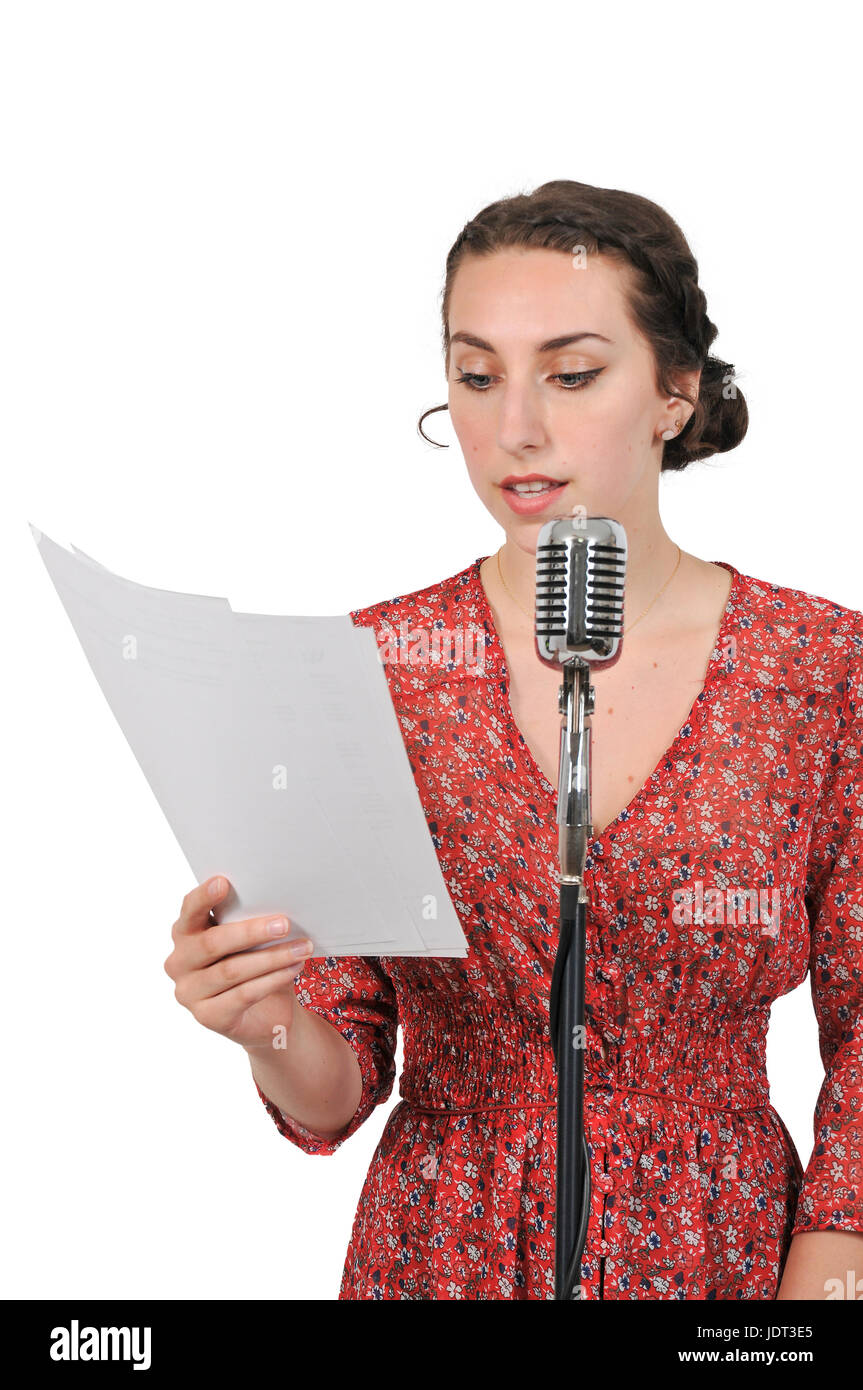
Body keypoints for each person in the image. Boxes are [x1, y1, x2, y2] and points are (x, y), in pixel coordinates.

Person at [164, 180, 862, 1300]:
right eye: (475, 376)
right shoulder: (372, 668)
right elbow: (337, 1087)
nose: (513, 429)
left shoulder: (819, 665)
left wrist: (828, 1273)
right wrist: (265, 1022)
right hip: (439, 1246)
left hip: (724, 1253)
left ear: (674, 391)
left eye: (571, 374)